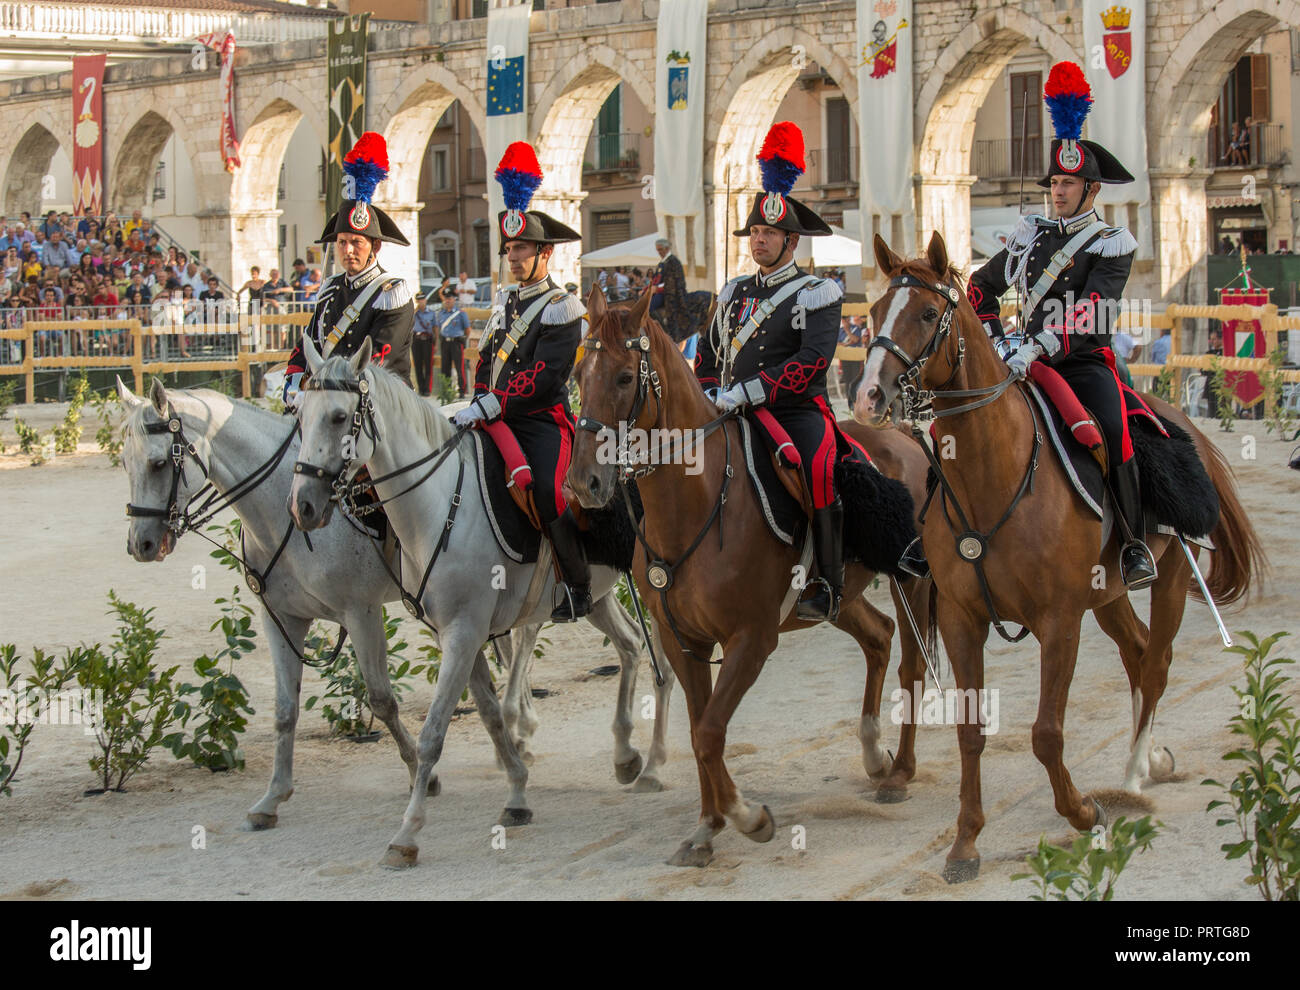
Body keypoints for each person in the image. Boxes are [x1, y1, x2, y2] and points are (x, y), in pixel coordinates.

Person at [955, 60, 1156, 589]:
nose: (1059, 191)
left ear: (1093, 190)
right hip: (1017, 359)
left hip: (1080, 363)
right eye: (1055, 181)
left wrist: (1036, 345)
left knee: (1113, 434)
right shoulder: (1029, 236)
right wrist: (998, 337)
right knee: (955, 426)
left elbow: (1094, 311)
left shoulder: (1111, 244)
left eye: (1070, 183)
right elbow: (980, 288)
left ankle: (1133, 543)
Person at [695, 121, 848, 622]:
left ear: (792, 242)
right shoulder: (734, 291)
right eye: (755, 232)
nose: (758, 241)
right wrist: (712, 390)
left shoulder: (814, 293)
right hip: (731, 408)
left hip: (795, 410)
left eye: (769, 234)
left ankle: (827, 581)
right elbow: (708, 356)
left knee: (818, 469)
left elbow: (812, 363)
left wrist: (752, 391)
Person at [453, 140, 588, 621]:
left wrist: (493, 404)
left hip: (540, 422)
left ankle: (577, 585)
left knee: (550, 494)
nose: (513, 257)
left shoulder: (561, 307)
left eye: (523, 248)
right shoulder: (504, 304)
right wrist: (476, 399)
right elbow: (487, 361)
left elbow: (546, 377)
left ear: (545, 253)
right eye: (510, 249)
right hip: (493, 414)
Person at [283, 131, 415, 406]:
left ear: (375, 246)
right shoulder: (331, 288)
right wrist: (294, 385)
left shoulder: (392, 292)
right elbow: (308, 344)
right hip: (329, 398)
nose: (348, 250)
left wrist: (323, 387)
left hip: (381, 400)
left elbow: (379, 360)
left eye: (356, 242)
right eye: (342, 243)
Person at [649, 236, 712, 355]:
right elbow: (657, 279)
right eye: (658, 250)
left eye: (661, 249)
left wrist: (657, 289)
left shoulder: (673, 262)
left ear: (667, 249)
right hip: (662, 292)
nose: (659, 252)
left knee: (649, 308)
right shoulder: (662, 263)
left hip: (672, 295)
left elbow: (673, 283)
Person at [435, 285, 470, 398]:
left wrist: (463, 340)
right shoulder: (441, 314)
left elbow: (467, 330)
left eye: (449, 298)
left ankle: (462, 391)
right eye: (446, 298)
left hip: (456, 342)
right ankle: (447, 391)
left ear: (454, 299)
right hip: (445, 342)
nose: (447, 300)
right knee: (445, 367)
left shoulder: (460, 314)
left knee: (460, 367)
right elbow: (439, 328)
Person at [411, 292, 437, 396]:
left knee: (428, 365)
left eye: (423, 299)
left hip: (427, 340)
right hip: (416, 340)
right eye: (419, 300)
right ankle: (421, 388)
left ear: (426, 300)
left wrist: (435, 343)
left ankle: (427, 389)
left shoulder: (431, 313)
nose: (421, 302)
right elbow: (408, 321)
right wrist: (415, 310)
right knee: (418, 365)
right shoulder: (414, 313)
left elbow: (435, 328)